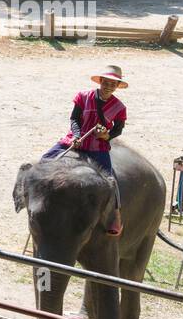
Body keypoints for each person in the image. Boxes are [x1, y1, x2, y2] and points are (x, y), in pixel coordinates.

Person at [41, 65, 129, 236]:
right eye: (107, 82)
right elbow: (74, 118)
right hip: (75, 140)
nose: (109, 86)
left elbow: (117, 130)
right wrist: (76, 135)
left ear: (117, 87)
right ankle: (38, 197)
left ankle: (115, 215)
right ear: (101, 81)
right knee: (46, 159)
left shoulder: (120, 107)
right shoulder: (83, 97)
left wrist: (105, 136)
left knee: (110, 179)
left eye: (113, 84)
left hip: (98, 146)